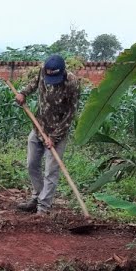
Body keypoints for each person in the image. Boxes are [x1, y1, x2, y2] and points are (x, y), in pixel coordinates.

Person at [13, 54, 82, 214]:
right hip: (39, 127)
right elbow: (33, 84)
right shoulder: (43, 71)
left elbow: (70, 114)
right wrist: (23, 93)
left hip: (58, 132)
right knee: (32, 165)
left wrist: (54, 137)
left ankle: (43, 208)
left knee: (51, 171)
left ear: (62, 72)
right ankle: (37, 197)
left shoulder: (72, 83)